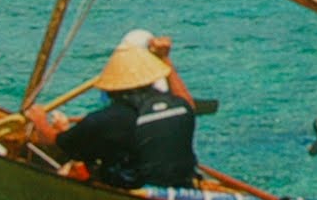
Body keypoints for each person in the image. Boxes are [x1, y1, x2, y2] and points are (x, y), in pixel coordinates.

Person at [27, 41, 199, 190]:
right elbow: (188, 103)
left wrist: (40, 120)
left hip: (135, 187)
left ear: (111, 88)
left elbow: (53, 142)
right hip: (183, 184)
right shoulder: (180, 107)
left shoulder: (104, 120)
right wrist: (164, 58)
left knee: (83, 161)